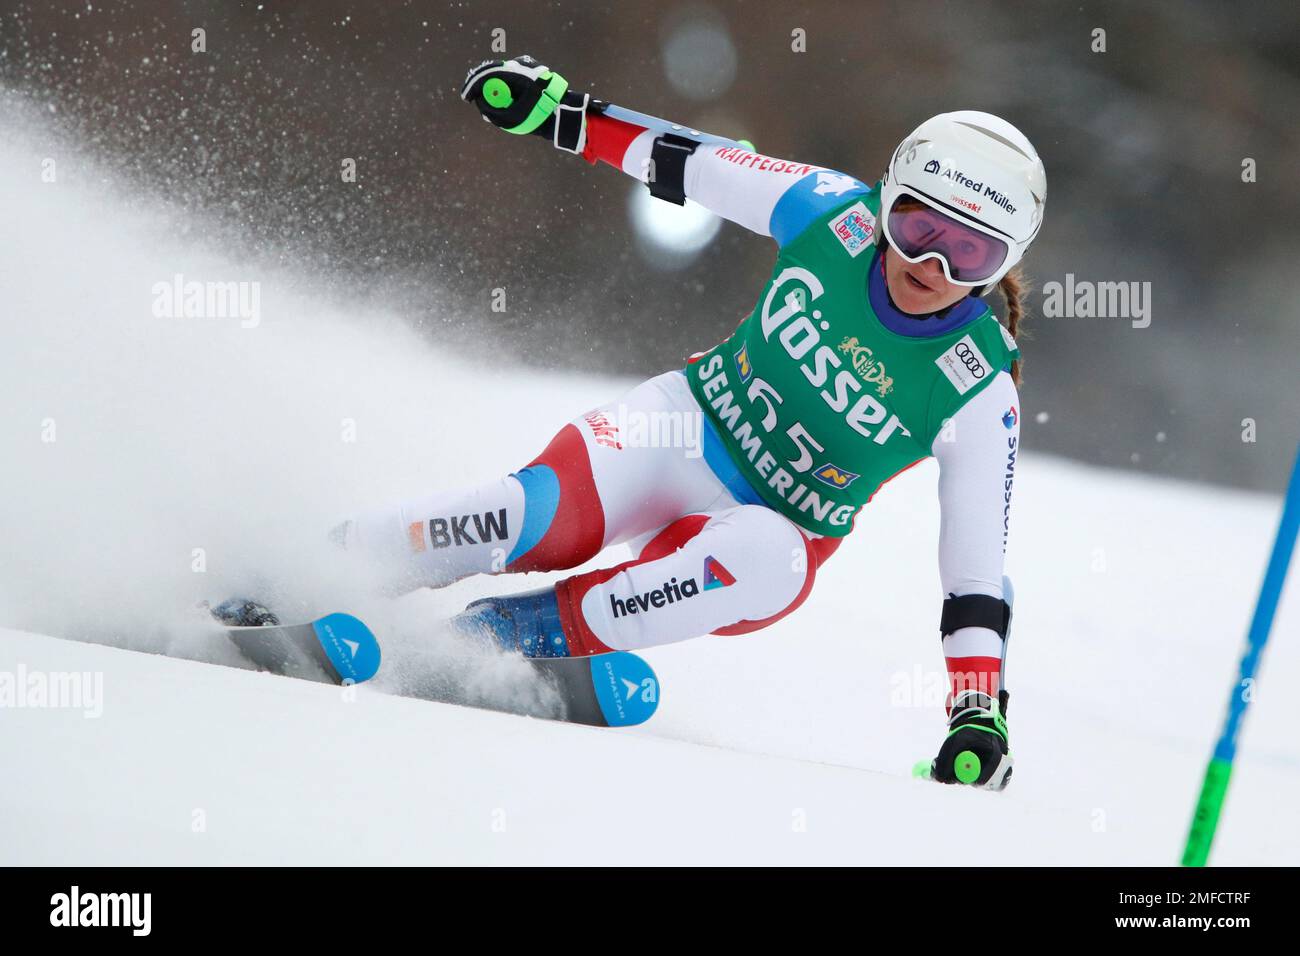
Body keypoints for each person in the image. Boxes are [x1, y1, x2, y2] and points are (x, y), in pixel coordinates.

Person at [345, 55, 1045, 789]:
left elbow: (973, 573)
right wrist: (560, 114)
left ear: (1000, 269)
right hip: (681, 429)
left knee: (766, 559)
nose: (933, 263)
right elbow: (695, 163)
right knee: (527, 519)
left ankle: (499, 636)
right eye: (916, 226)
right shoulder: (830, 211)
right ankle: (329, 566)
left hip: (772, 533)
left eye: (970, 253)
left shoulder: (978, 387)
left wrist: (976, 710)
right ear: (886, 200)